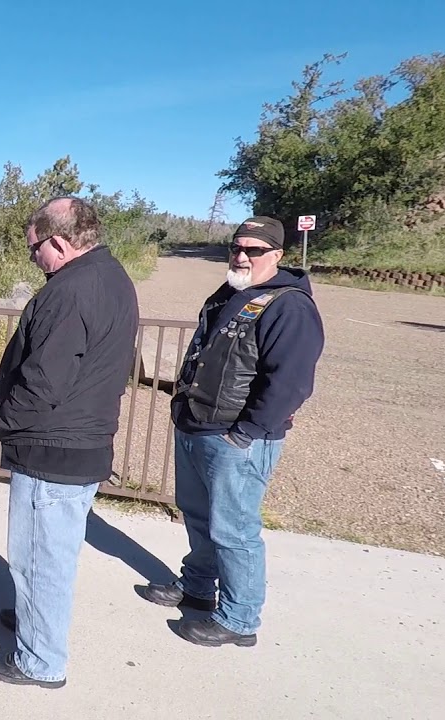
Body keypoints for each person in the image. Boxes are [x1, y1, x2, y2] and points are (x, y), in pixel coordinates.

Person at [141, 215, 325, 648]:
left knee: (235, 530)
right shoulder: (232, 292)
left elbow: (292, 381)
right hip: (198, 425)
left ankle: (240, 619)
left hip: (237, 438)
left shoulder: (289, 304)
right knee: (200, 517)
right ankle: (199, 588)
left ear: (277, 255)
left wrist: (247, 431)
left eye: (254, 250)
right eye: (237, 247)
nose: (242, 256)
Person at [0, 196, 139, 689]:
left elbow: (43, 384)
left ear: (59, 243)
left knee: (38, 561)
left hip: (54, 452)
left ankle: (39, 661)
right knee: (52, 555)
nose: (34, 260)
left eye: (35, 251)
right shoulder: (111, 276)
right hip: (81, 444)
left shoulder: (69, 292)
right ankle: (36, 624)